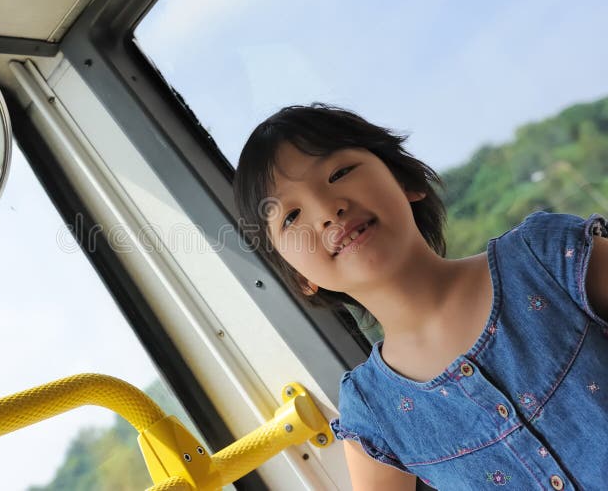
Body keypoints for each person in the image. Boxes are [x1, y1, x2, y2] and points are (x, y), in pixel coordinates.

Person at [233, 104, 608, 490]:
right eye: (291, 216)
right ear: (299, 277)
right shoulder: (373, 410)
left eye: (339, 173)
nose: (329, 209)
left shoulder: (544, 259)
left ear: (405, 181)